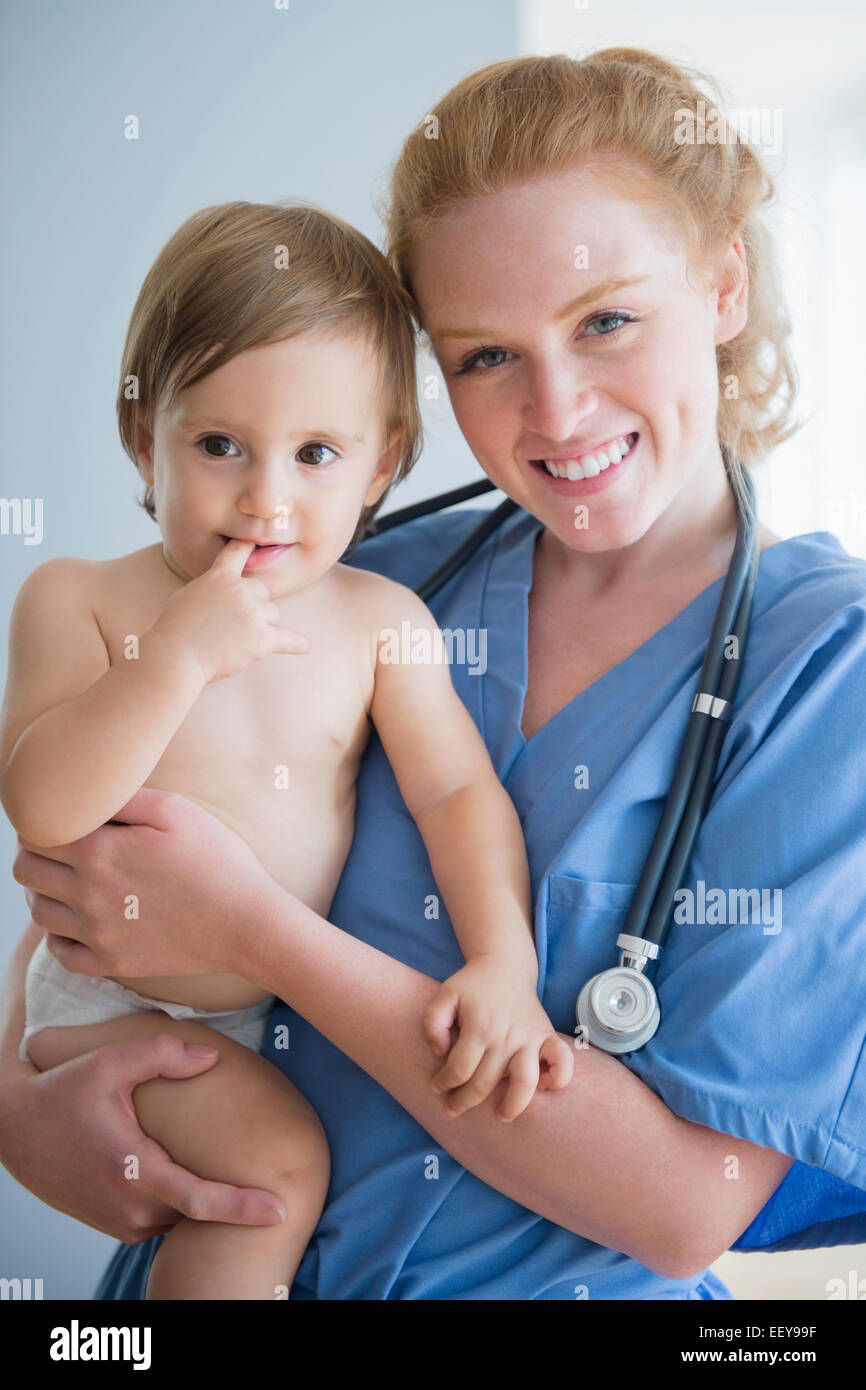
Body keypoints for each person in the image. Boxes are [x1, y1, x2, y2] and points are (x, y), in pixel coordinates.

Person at [3, 47, 866, 1301]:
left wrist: (258, 933)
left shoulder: (824, 667)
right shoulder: (362, 578)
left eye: (606, 321)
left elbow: (682, 1211)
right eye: (483, 356)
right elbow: (78, 873)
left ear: (722, 281)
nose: (558, 411)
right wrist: (17, 1109)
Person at [0, 199, 572, 1299]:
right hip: (112, 1004)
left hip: (266, 1015)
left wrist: (504, 961)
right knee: (278, 1165)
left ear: (380, 465)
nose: (264, 498)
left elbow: (457, 793)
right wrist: (171, 658)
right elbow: (42, 803)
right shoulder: (78, 598)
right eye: (218, 445)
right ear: (142, 436)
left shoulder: (380, 621)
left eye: (315, 453)